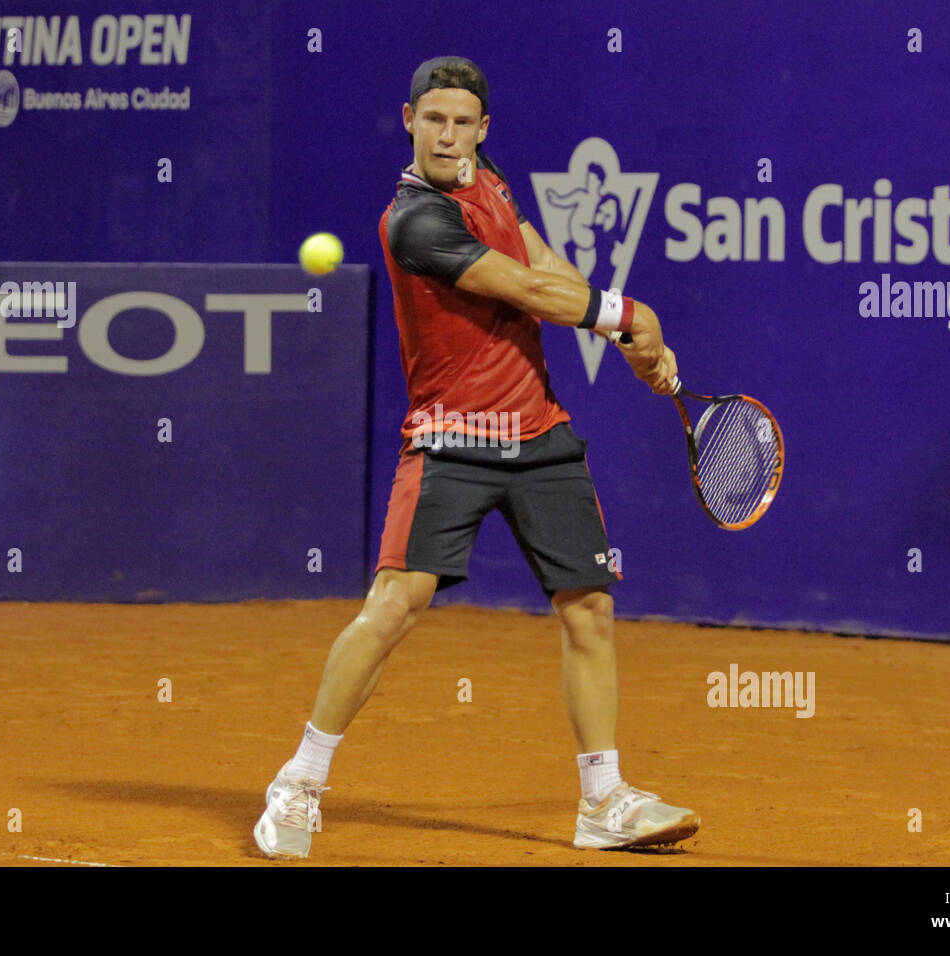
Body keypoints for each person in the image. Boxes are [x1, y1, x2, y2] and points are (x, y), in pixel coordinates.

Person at [254, 56, 697, 859]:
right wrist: (633, 311)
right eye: (433, 120)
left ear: (483, 128)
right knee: (396, 603)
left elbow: (545, 266)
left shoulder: (487, 176)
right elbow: (523, 293)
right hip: (452, 439)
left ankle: (603, 800)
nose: (448, 134)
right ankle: (300, 779)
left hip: (540, 434)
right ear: (409, 120)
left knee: (588, 608)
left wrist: (626, 339)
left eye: (462, 122)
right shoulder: (414, 220)